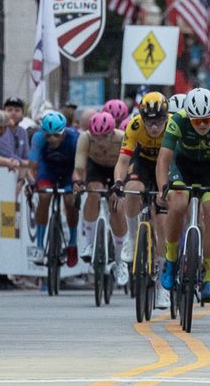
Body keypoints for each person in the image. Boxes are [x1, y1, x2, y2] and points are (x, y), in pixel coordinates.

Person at [157, 88, 210, 303]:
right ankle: (171, 260)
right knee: (177, 206)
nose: (202, 125)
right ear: (189, 117)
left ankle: (209, 277)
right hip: (182, 166)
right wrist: (162, 188)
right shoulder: (178, 120)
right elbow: (163, 159)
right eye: (197, 121)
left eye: (206, 120)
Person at [113, 92, 172, 308]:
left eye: (158, 121)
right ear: (142, 118)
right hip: (143, 163)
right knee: (132, 189)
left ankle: (163, 287)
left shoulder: (174, 126)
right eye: (149, 121)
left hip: (167, 166)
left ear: (166, 117)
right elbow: (123, 160)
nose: (154, 127)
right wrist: (118, 182)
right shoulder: (135, 125)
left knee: (162, 225)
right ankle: (131, 238)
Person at [75, 111, 128, 287]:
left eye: (104, 136)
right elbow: (79, 167)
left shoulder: (122, 138)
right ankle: (90, 244)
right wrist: (78, 183)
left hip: (117, 169)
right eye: (96, 137)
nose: (100, 141)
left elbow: (128, 164)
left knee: (117, 209)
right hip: (96, 167)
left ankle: (120, 260)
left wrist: (119, 186)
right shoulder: (85, 138)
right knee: (93, 192)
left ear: (112, 132)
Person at [29, 112, 81, 268]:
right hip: (48, 169)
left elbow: (80, 167)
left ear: (64, 133)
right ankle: (39, 246)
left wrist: (78, 183)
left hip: (69, 171)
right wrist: (31, 184)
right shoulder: (38, 138)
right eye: (48, 135)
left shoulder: (75, 139)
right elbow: (32, 167)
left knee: (70, 201)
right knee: (44, 197)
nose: (51, 139)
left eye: (56, 135)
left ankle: (72, 243)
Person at [0, 97, 31, 165]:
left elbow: (26, 155)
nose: (13, 113)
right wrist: (24, 162)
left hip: (19, 169)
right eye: (9, 110)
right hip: (2, 168)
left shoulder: (23, 132)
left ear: (22, 114)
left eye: (17, 110)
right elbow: (6, 155)